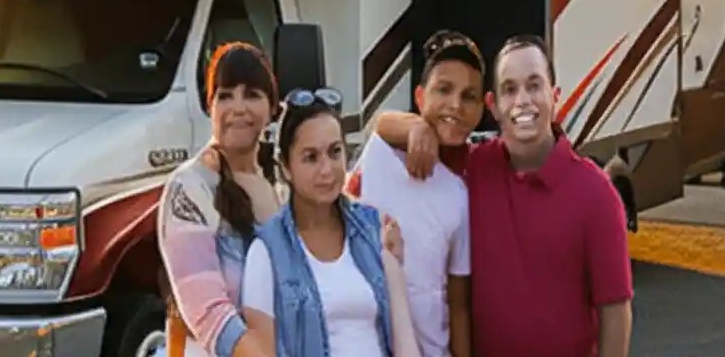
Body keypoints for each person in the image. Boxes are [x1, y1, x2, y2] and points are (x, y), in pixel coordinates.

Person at [373, 34, 634, 357]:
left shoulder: (597, 195)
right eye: (510, 89)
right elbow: (383, 126)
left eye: (534, 85)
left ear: (555, 97)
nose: (522, 100)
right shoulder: (475, 166)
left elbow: (615, 312)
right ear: (493, 107)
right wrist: (417, 129)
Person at [241, 87, 422, 357]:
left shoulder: (373, 228)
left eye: (335, 152)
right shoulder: (266, 250)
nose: (327, 169)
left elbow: (404, 340)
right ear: (286, 167)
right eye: (311, 157)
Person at [346, 30, 483, 357]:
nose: (455, 105)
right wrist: (415, 128)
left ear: (481, 108)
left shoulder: (465, 184)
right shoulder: (382, 153)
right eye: (444, 90)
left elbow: (458, 300)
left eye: (468, 96)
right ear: (420, 98)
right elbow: (379, 125)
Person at [157, 41, 283, 357]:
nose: (238, 107)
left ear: (272, 108)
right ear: (210, 107)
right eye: (225, 96)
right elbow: (209, 315)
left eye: (252, 94)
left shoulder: (285, 182)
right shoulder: (190, 188)